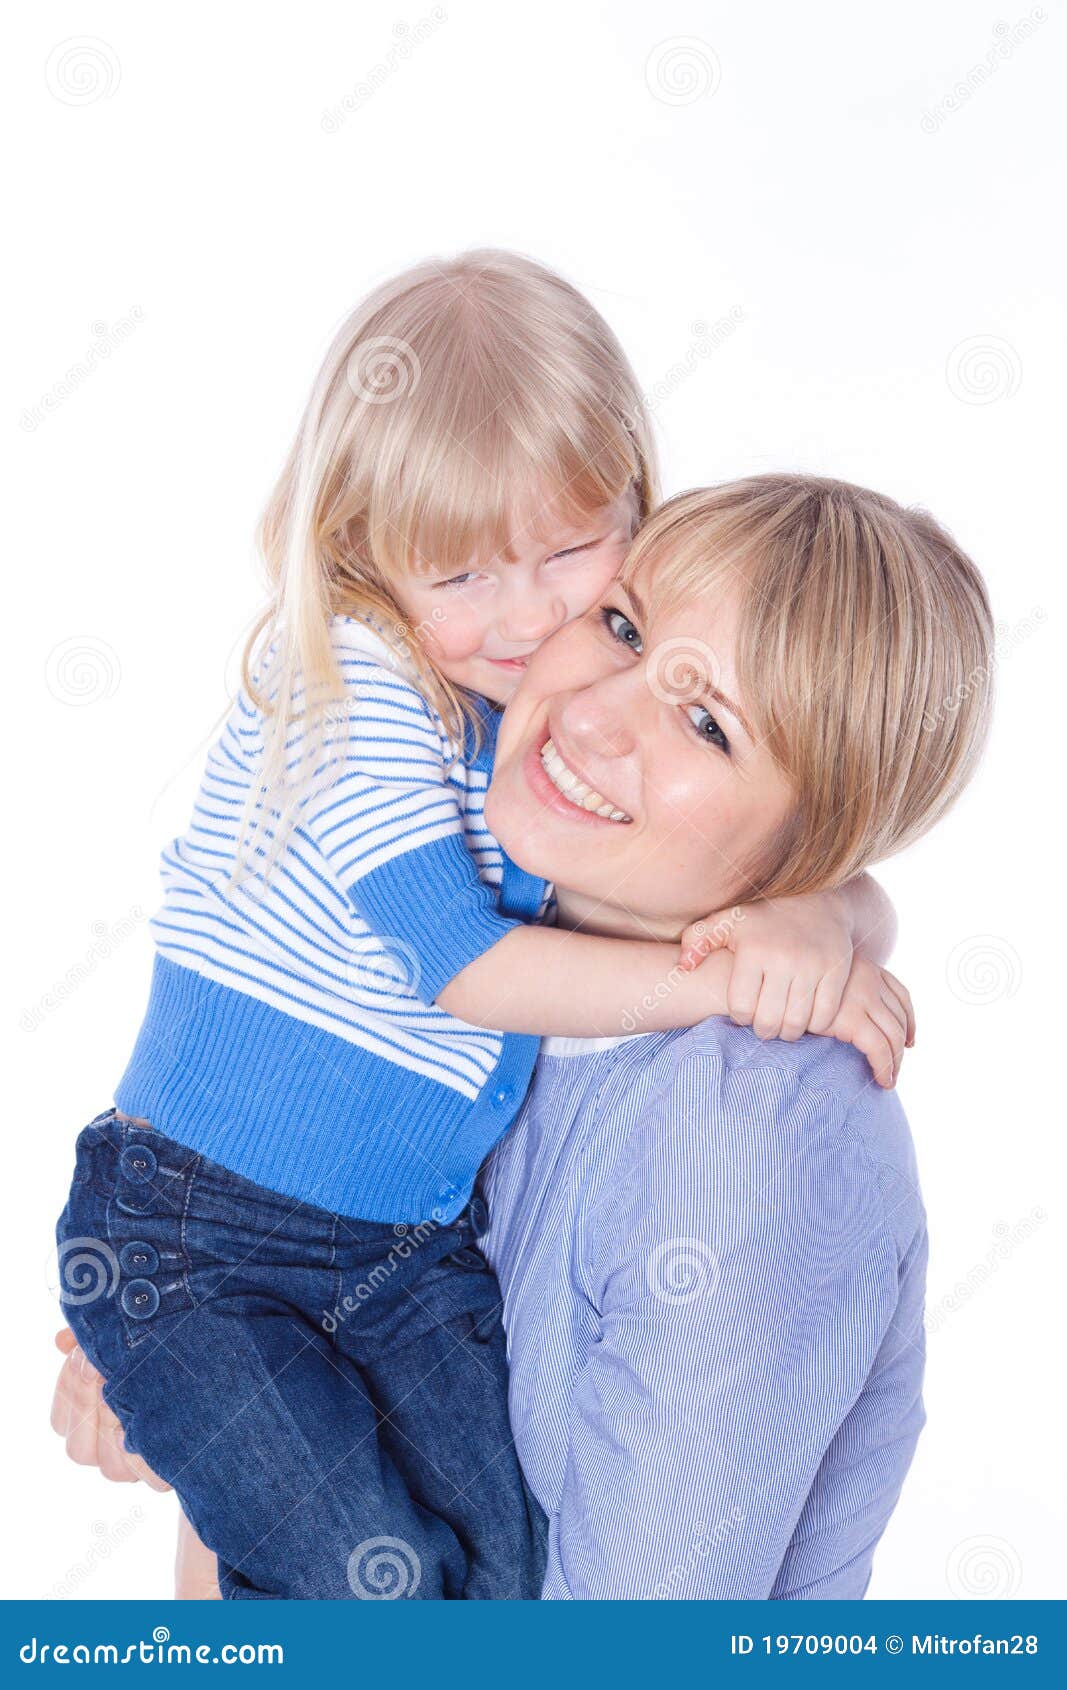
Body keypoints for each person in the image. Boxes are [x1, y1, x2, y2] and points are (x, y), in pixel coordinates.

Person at [52, 257, 896, 1602]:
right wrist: (722, 979)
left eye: (574, 556)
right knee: (361, 1577)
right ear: (358, 550)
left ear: (636, 498)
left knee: (490, 1570)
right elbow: (469, 969)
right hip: (204, 1232)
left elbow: (777, 837)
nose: (528, 618)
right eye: (461, 572)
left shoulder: (528, 720)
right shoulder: (350, 688)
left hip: (391, 1244)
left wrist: (829, 905)